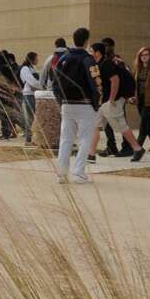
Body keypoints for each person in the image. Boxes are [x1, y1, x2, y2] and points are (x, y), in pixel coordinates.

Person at [52, 27, 101, 185]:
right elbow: (96, 82)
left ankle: (61, 174)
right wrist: (97, 101)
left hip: (67, 105)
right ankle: (79, 173)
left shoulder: (64, 58)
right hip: (85, 105)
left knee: (66, 140)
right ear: (87, 41)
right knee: (85, 139)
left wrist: (60, 100)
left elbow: (55, 82)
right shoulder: (88, 59)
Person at [89, 41, 144, 163]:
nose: (90, 53)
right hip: (104, 102)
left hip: (113, 100)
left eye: (91, 51)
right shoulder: (99, 64)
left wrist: (112, 99)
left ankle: (137, 148)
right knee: (94, 125)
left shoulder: (106, 64)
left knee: (121, 126)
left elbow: (115, 80)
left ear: (97, 53)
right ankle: (91, 155)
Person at [18, 52, 41, 145]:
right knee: (31, 117)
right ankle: (29, 139)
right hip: (29, 95)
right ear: (32, 59)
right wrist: (41, 86)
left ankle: (34, 138)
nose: (38, 60)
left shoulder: (32, 68)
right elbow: (32, 82)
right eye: (36, 58)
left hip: (34, 94)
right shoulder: (25, 69)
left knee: (34, 117)